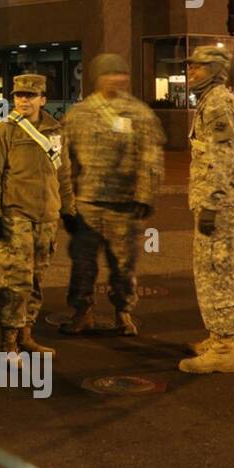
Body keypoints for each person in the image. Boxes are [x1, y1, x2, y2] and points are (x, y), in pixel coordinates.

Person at [59, 54, 165, 336]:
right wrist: (65, 204)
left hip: (124, 204)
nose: (116, 79)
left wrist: (145, 197)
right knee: (82, 263)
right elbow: (65, 162)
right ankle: (82, 311)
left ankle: (123, 312)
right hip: (87, 204)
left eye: (121, 74)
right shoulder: (78, 114)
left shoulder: (139, 113)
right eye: (109, 74)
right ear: (97, 78)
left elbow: (151, 158)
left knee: (123, 264)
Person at [0, 73, 76, 355]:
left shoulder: (55, 131)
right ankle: (9, 342)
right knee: (16, 279)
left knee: (36, 279)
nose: (23, 100)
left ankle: (26, 335)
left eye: (30, 96)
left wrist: (69, 210)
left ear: (43, 99)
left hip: (47, 217)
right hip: (15, 215)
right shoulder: (3, 132)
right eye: (19, 95)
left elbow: (64, 175)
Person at [179, 44, 234, 374]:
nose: (191, 70)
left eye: (198, 66)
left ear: (216, 71)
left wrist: (210, 204)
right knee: (227, 266)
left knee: (216, 269)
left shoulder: (218, 103)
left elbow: (219, 159)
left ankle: (223, 347)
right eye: (190, 65)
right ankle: (222, 336)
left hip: (222, 202)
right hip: (229, 199)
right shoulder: (213, 100)